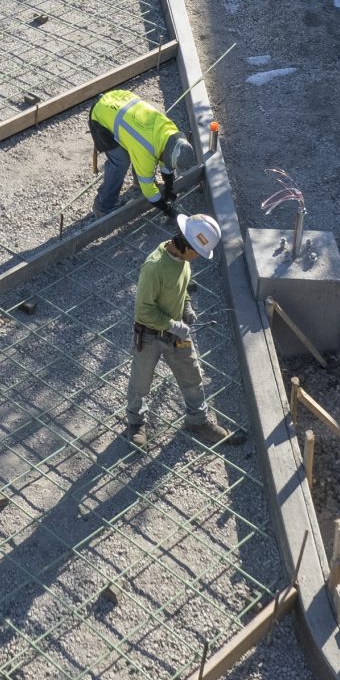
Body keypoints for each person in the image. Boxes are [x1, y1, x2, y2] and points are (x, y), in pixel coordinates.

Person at [128, 214, 234, 443]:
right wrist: (173, 325)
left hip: (176, 333)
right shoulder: (154, 267)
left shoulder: (183, 262)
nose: (198, 257)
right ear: (187, 245)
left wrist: (186, 307)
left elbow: (183, 288)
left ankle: (198, 420)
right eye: (198, 252)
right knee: (141, 381)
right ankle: (136, 422)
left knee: (192, 376)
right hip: (149, 335)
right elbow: (144, 311)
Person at [90, 86, 188, 219]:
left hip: (120, 99)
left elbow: (165, 157)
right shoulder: (145, 149)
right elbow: (149, 189)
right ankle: (103, 206)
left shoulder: (170, 132)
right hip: (101, 116)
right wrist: (167, 209)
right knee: (121, 162)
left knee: (136, 148)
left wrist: (169, 186)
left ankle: (137, 183)